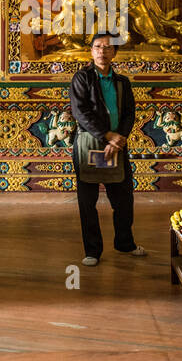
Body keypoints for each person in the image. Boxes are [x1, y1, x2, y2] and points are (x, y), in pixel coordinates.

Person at [69, 32, 145, 266]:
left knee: (123, 199)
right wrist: (107, 136)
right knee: (88, 200)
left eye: (107, 47)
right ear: (91, 51)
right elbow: (80, 112)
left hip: (117, 147)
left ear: (114, 52)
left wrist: (120, 138)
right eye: (98, 47)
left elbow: (129, 113)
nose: (102, 51)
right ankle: (92, 251)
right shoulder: (82, 78)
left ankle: (125, 243)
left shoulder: (122, 82)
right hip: (90, 147)